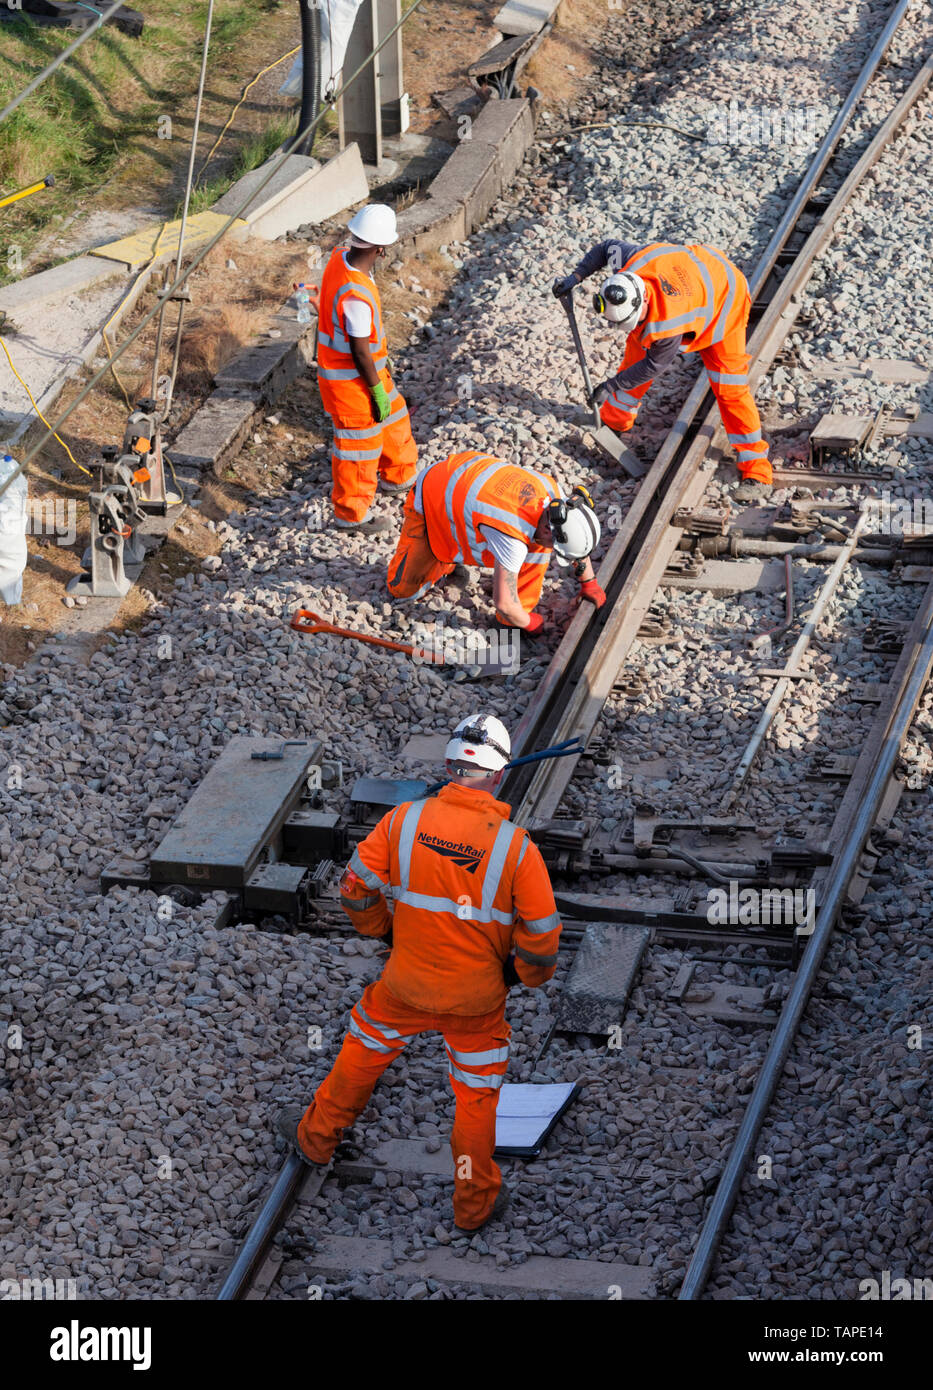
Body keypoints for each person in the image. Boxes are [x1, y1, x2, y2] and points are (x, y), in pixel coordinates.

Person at [276, 715, 563, 1232]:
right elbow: (542, 942)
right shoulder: (518, 849)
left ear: (450, 767)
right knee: (476, 1097)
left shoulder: (403, 821)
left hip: (404, 986)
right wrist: (519, 977)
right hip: (476, 1002)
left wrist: (384, 932)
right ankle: (473, 1204)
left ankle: (315, 1140)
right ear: (498, 776)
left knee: (364, 1048)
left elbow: (354, 888)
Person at [553, 238, 772, 502]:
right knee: (636, 346)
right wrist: (576, 277)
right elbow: (603, 248)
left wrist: (610, 385)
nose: (634, 327)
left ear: (642, 300)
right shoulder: (631, 264)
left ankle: (757, 469)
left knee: (729, 389)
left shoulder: (669, 322)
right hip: (700, 273)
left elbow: (654, 366)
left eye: (634, 321)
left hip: (726, 303)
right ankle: (615, 419)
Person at [386, 449, 606, 633]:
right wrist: (533, 624)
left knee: (538, 548)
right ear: (551, 532)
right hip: (433, 492)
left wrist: (590, 583)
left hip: (474, 480)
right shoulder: (511, 537)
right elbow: (504, 603)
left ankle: (510, 623)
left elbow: (570, 535)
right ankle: (444, 559)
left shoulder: (555, 497)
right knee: (403, 590)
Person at [316, 203, 418, 533]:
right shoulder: (356, 295)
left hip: (367, 371)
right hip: (351, 381)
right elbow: (360, 350)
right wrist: (375, 390)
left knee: (395, 415)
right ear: (381, 248)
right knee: (358, 447)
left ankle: (398, 476)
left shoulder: (339, 259)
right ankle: (351, 515)